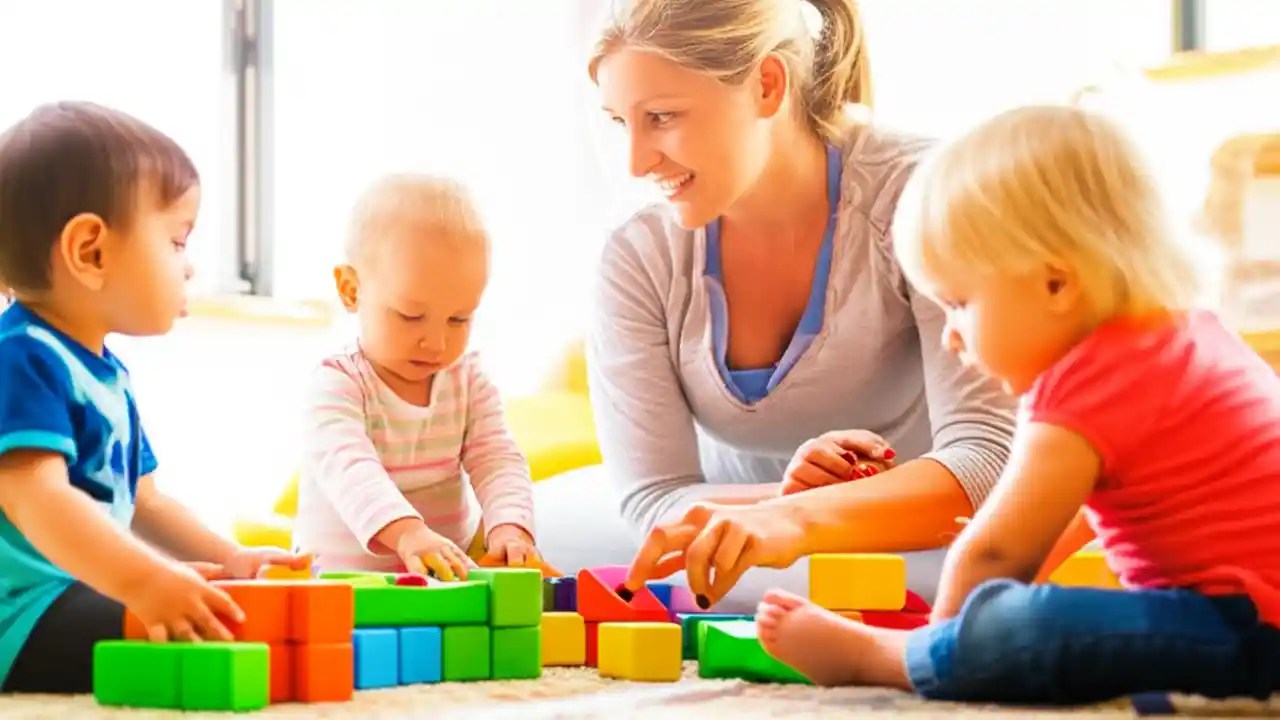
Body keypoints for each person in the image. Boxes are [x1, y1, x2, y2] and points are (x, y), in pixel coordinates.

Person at [755, 104, 1280, 704]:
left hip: (1247, 627)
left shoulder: (1084, 381)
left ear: (1056, 284)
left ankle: (892, 657)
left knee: (1022, 629)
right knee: (1064, 616)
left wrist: (952, 643)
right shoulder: (1180, 340)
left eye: (959, 303)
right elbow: (1066, 520)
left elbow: (999, 550)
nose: (951, 335)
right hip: (1244, 615)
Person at [532, 0, 1017, 607]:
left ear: (766, 85)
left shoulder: (925, 196)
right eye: (618, 121)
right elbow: (654, 499)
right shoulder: (638, 250)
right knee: (535, 526)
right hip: (735, 523)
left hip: (912, 528)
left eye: (662, 116)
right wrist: (784, 507)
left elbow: (987, 460)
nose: (636, 162)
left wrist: (804, 520)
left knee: (999, 558)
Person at [0, 101, 308, 694]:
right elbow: (38, 498)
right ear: (90, 251)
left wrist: (233, 557)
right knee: (199, 626)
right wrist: (144, 582)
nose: (189, 268)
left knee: (216, 599)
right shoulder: (22, 359)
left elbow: (148, 503)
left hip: (74, 592)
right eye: (177, 241)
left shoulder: (106, 373)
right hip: (19, 614)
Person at [293, 175, 548, 581]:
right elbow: (350, 468)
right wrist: (409, 533)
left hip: (441, 582)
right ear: (351, 289)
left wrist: (510, 527)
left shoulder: (469, 381)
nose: (436, 342)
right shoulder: (337, 384)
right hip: (339, 587)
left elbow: (497, 458)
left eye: (459, 319)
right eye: (411, 316)